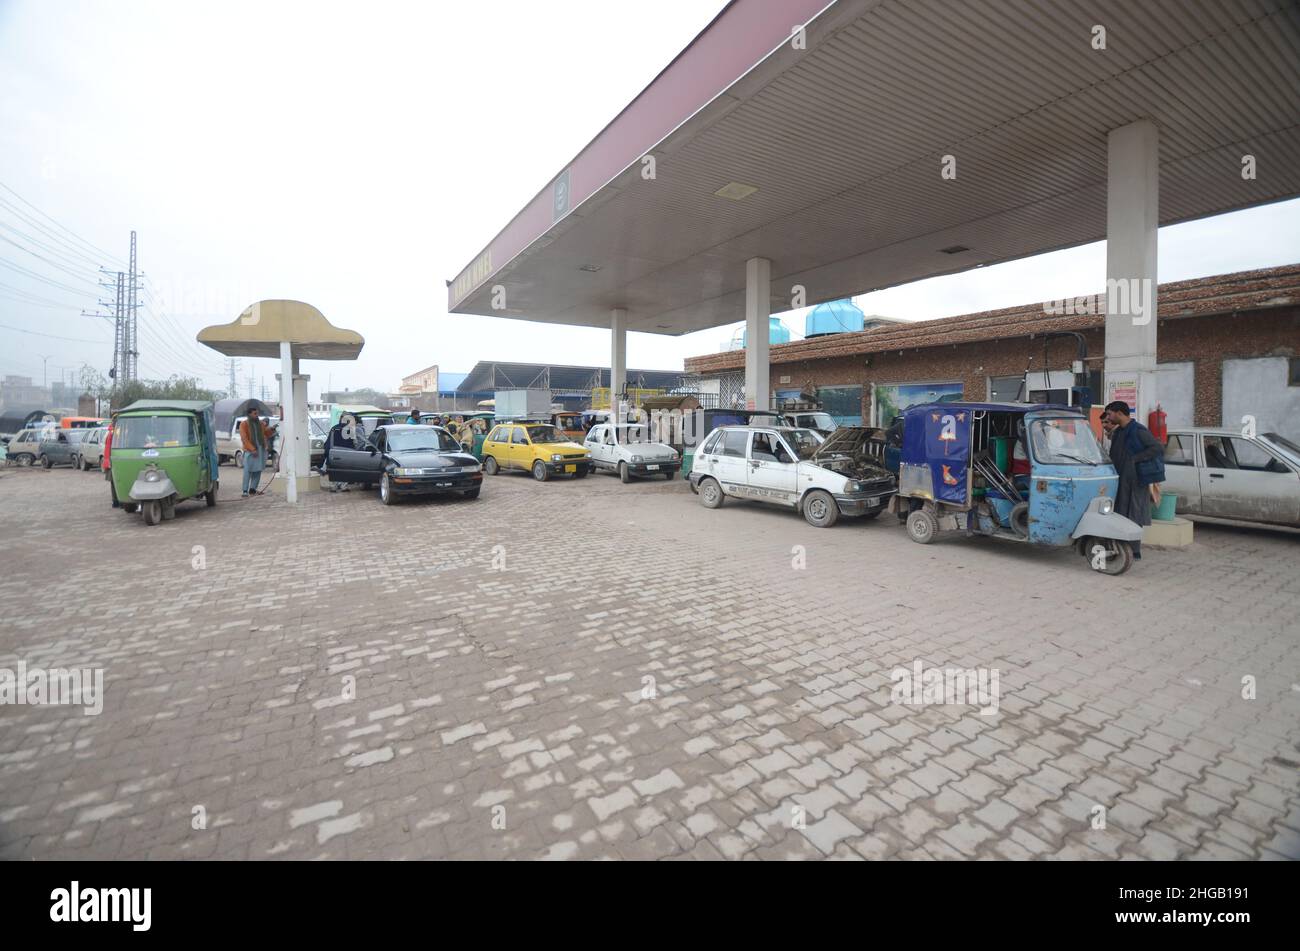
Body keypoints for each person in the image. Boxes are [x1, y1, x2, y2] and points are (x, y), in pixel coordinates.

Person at [1103, 401, 1162, 560]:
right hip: (1121, 479)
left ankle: (1134, 551)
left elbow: (1157, 448)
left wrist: (1135, 459)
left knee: (1134, 513)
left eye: (1110, 414)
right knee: (1120, 513)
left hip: (1136, 480)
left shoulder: (1138, 430)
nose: (1108, 417)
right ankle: (1120, 548)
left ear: (1119, 413)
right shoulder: (1119, 431)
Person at [239, 406, 277, 498]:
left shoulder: (260, 424)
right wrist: (252, 449)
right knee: (248, 470)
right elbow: (244, 439)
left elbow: (266, 433)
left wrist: (272, 429)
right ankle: (245, 490)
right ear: (249, 414)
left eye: (257, 413)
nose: (257, 415)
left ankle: (253, 489)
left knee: (258, 470)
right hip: (249, 451)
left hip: (260, 449)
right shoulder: (244, 424)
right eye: (255, 413)